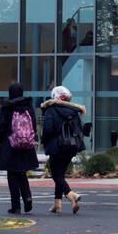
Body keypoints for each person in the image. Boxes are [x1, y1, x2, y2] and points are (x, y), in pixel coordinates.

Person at [41, 85, 88, 214]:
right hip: (70, 147)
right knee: (60, 175)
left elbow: (48, 129)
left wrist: (43, 140)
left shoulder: (51, 110)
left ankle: (70, 194)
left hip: (56, 147)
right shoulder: (74, 112)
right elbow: (79, 130)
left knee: (56, 175)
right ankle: (57, 204)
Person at [0, 82, 39, 214]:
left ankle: (16, 205)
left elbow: (2, 127)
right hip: (26, 144)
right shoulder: (28, 106)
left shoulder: (7, 107)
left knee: (12, 174)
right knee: (22, 172)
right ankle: (28, 197)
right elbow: (34, 124)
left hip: (10, 144)